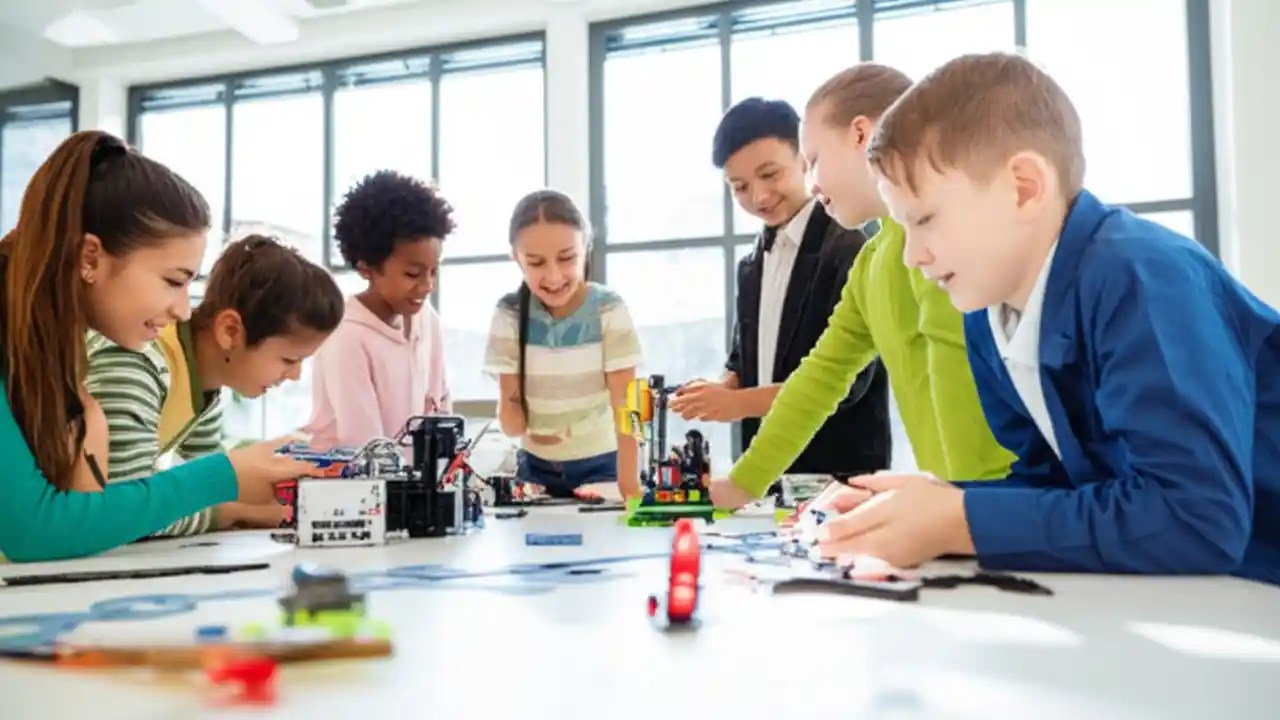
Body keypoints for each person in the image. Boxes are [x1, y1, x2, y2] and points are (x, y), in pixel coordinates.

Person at [813, 52, 1279, 586]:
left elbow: (1196, 518)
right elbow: (1058, 488)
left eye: (926, 220)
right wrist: (933, 502)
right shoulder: (988, 317)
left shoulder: (1143, 276)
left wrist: (959, 522)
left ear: (1024, 187)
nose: (912, 256)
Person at [709, 64, 1014, 510]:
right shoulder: (872, 263)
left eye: (814, 160)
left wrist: (965, 509)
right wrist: (743, 483)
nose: (812, 182)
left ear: (861, 135)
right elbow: (818, 379)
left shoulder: (946, 239)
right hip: (963, 509)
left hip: (1004, 508)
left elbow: (964, 381)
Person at [0, 130, 313, 563]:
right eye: (172, 281)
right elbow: (34, 531)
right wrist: (225, 477)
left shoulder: (52, 366)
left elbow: (70, 525)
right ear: (90, 258)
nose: (182, 310)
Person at [669, 97, 890, 486]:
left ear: (804, 159)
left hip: (839, 473)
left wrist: (735, 403)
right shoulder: (749, 265)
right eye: (740, 187)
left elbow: (848, 385)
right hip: (765, 477)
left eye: (770, 174)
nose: (759, 197)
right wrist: (716, 391)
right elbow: (741, 363)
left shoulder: (851, 245)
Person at [86, 235, 344, 536]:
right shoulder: (137, 367)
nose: (295, 375)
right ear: (230, 330)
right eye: (288, 359)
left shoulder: (204, 381)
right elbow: (125, 511)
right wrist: (238, 514)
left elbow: (208, 485)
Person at [483, 190, 643, 500]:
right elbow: (512, 424)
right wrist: (510, 401)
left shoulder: (608, 308)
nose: (553, 276)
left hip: (605, 465)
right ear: (516, 257)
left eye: (567, 258)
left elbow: (628, 404)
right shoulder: (509, 313)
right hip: (533, 468)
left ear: (586, 246)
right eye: (536, 262)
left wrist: (631, 487)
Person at [304, 170, 455, 450]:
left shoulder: (426, 319)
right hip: (352, 473)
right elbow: (364, 444)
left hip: (406, 475)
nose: (427, 286)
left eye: (434, 271)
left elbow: (439, 407)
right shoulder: (346, 337)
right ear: (367, 269)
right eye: (412, 274)